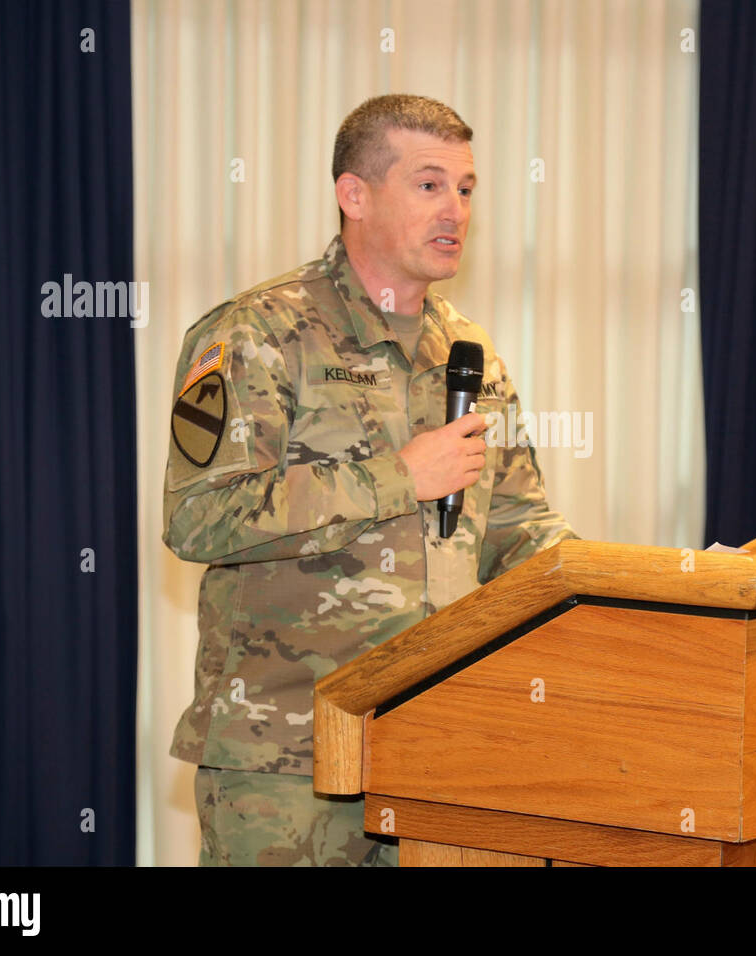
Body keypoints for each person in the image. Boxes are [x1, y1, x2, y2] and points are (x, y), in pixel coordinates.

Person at [162, 94, 577, 866]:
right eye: (428, 185)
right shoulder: (256, 332)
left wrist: (621, 586)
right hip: (286, 759)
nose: (454, 208)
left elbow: (519, 529)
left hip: (436, 748)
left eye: (466, 188)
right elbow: (198, 518)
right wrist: (397, 477)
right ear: (354, 195)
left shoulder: (469, 351)